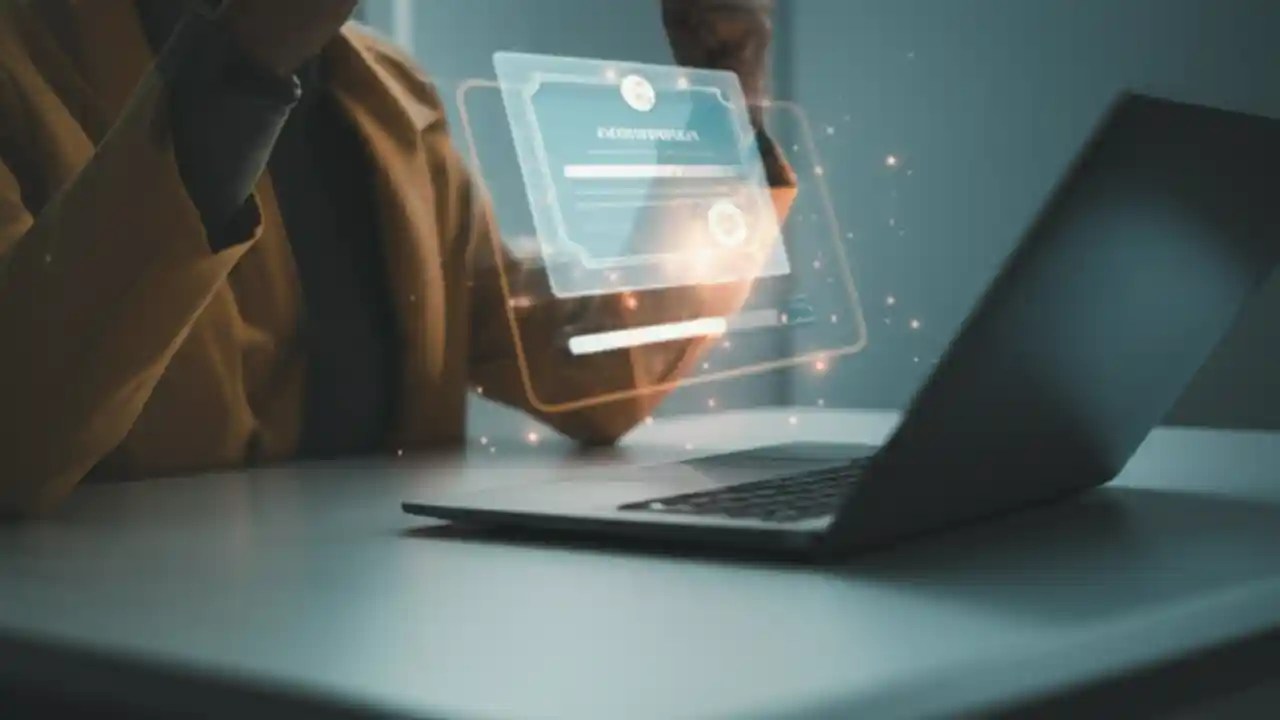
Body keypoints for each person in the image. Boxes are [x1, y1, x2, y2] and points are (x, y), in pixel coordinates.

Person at [0, 0, 796, 515]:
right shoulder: (22, 59)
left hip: (385, 646)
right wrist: (248, 52)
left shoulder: (386, 91)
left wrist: (722, 103)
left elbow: (586, 372)